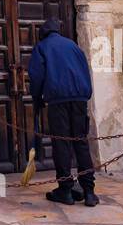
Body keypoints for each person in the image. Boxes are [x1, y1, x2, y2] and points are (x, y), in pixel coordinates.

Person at [27, 17, 99, 206]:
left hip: (58, 101)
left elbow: (36, 76)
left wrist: (37, 99)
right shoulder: (73, 46)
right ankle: (89, 191)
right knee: (81, 142)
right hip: (79, 100)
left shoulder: (42, 47)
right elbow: (85, 70)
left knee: (62, 144)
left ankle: (65, 190)